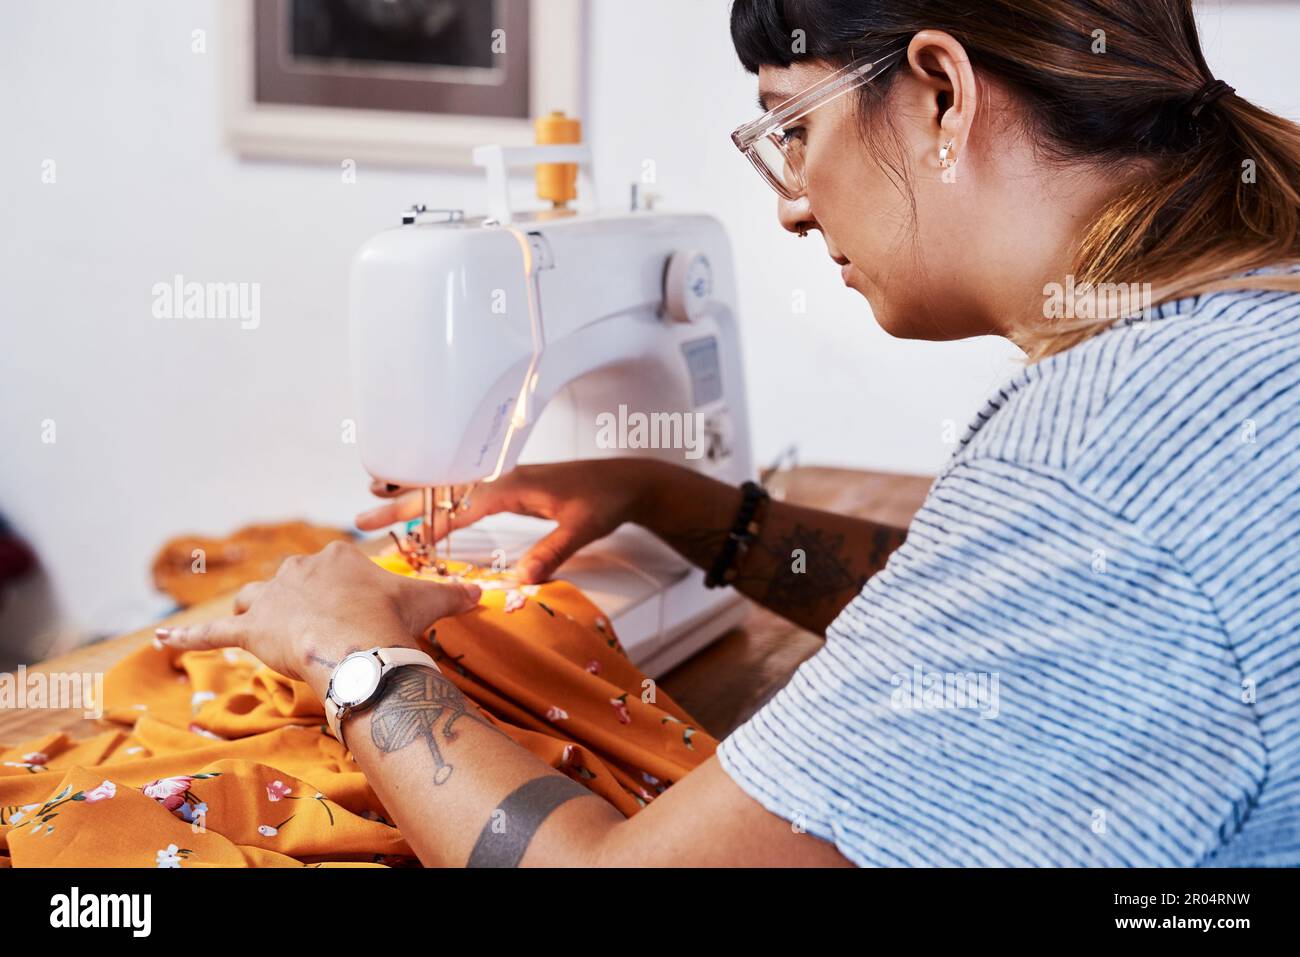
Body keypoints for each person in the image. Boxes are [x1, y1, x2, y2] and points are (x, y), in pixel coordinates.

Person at [158, 0, 1300, 866]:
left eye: (788, 130)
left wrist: (353, 654)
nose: (791, 203)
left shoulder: (1088, 460)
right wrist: (678, 500)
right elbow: (1008, 627)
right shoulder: (1240, 327)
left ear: (942, 92)